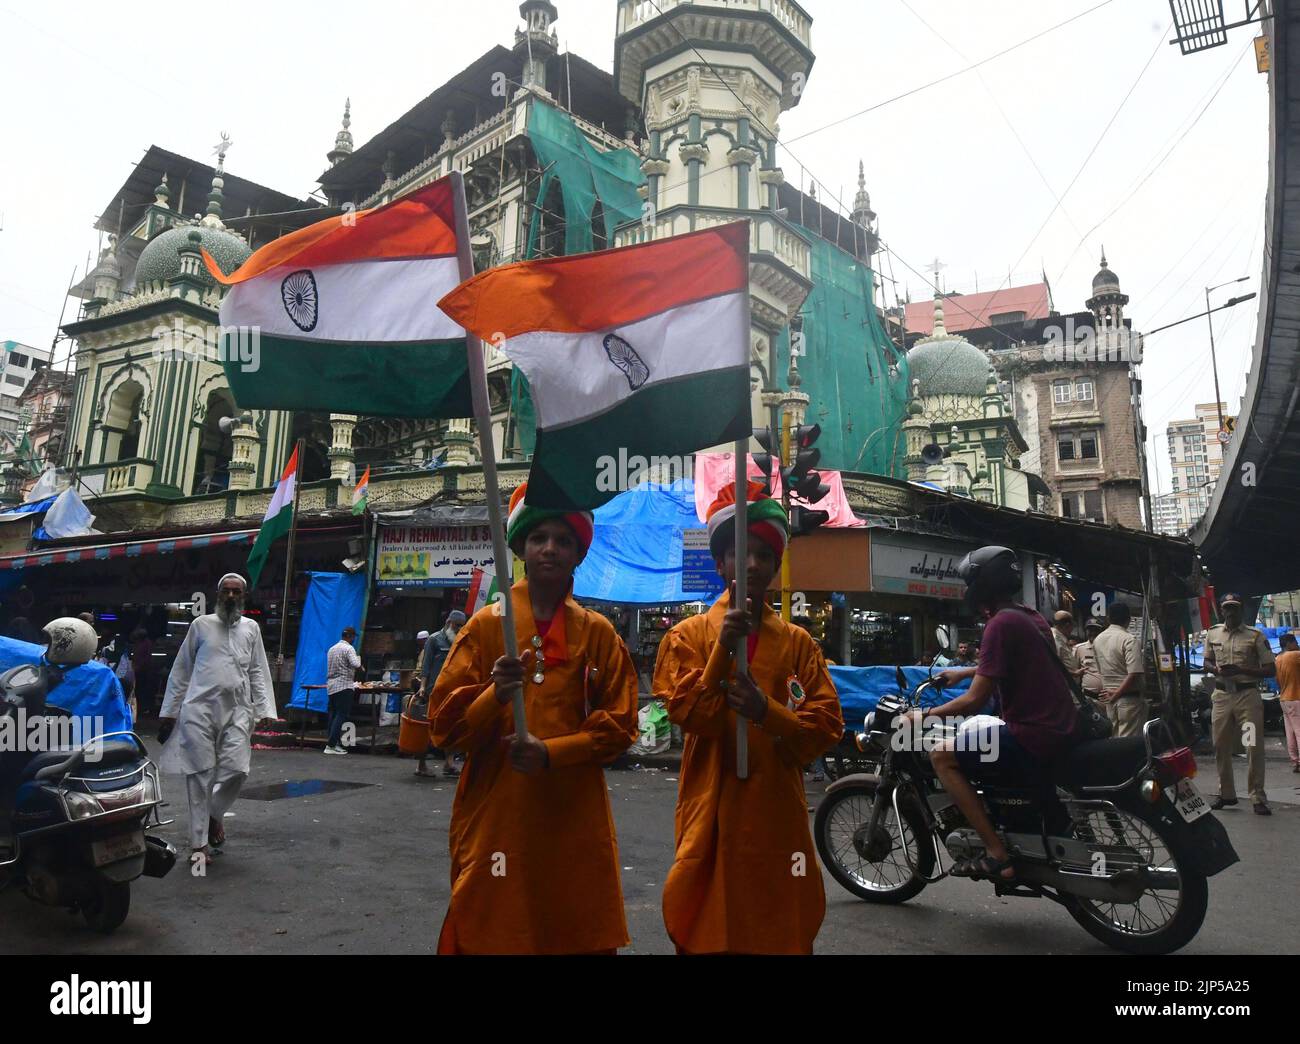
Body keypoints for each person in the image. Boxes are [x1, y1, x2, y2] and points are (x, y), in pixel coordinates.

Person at [428, 483, 638, 954]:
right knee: (496, 926)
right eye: (539, 536)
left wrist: (553, 753)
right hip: (499, 812)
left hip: (573, 814)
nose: (550, 548)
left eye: (563, 540)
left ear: (578, 553)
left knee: (571, 925)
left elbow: (622, 727)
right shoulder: (487, 626)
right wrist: (493, 696)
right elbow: (444, 727)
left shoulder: (598, 633)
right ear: (520, 546)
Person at [654, 482, 842, 954]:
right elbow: (691, 714)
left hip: (776, 811)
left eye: (764, 555)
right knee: (708, 923)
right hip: (711, 804)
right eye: (741, 554)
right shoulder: (686, 636)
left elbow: (824, 728)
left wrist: (767, 712)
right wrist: (721, 651)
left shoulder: (799, 643)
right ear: (721, 564)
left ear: (777, 566)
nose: (753, 564)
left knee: (777, 923)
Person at [910, 546, 1078, 882]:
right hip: (1059, 725)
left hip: (1031, 734)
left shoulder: (999, 625)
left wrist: (924, 715)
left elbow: (973, 702)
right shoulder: (1028, 616)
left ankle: (997, 854)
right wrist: (964, 671)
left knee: (942, 755)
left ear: (982, 584)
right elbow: (1011, 662)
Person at [157, 574, 276, 860]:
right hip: (199, 709)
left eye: (237, 591)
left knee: (238, 770)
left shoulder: (252, 628)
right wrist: (169, 713)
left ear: (244, 596)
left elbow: (258, 669)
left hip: (237, 709)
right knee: (200, 775)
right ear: (218, 594)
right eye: (226, 591)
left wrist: (265, 708)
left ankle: (214, 813)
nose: (231, 596)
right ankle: (199, 845)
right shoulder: (201, 625)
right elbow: (182, 670)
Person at [1204, 593, 1276, 815]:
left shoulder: (1255, 636)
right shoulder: (1213, 633)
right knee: (1220, 745)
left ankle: (1257, 796)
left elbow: (1270, 669)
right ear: (1222, 610)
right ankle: (1226, 794)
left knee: (1251, 746)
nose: (1231, 612)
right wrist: (1214, 669)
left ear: (1241, 609)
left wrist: (1242, 670)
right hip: (1222, 696)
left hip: (1247, 697)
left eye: (1234, 607)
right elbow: (1207, 660)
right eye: (1227, 608)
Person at [419, 610, 467, 777]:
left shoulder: (461, 641)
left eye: (462, 626)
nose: (459, 628)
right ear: (448, 623)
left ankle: (449, 763)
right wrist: (422, 687)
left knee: (451, 727)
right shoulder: (434, 640)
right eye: (456, 625)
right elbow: (426, 665)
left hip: (453, 691)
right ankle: (421, 765)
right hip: (434, 691)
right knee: (427, 727)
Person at [1091, 603, 1146, 737]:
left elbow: (1100, 670)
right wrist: (1117, 693)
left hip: (1110, 700)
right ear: (1128, 619)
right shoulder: (1129, 639)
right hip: (1128, 700)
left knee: (1114, 740)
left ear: (1109, 618)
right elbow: (1134, 673)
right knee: (1128, 744)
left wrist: (1113, 696)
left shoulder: (1098, 640)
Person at [324, 626, 361, 755]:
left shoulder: (331, 649)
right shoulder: (349, 648)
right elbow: (356, 664)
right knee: (341, 714)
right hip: (344, 685)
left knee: (333, 714)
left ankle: (332, 743)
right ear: (350, 637)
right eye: (353, 638)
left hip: (331, 686)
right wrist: (359, 661)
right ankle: (331, 745)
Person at [1276, 631, 1300, 774]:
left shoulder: (1277, 659)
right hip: (1296, 697)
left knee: (1290, 732)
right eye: (1295, 642)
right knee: (1299, 731)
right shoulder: (1295, 655)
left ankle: (1295, 761)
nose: (1297, 645)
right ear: (1289, 644)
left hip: (1284, 699)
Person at [130, 627, 156, 718]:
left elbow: (146, 658)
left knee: (141, 690)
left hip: (143, 670)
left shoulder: (146, 643)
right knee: (137, 690)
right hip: (137, 669)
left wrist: (139, 667)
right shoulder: (138, 643)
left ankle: (142, 708)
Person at [1076, 620, 1105, 700]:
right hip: (1089, 697)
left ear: (1102, 632)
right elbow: (1074, 672)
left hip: (1109, 697)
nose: (1093, 633)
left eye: (1096, 630)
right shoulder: (1079, 648)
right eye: (1090, 630)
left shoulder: (1110, 648)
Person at [1052, 611, 1080, 675]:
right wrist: (1073, 673)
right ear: (1067, 625)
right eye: (1072, 625)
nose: (1072, 629)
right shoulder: (1055, 640)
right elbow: (1054, 666)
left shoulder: (1061, 639)